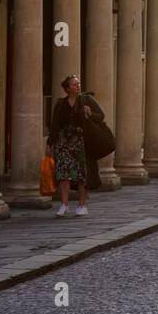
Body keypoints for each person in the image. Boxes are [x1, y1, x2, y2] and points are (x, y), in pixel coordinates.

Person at [46, 74, 105, 217]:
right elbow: (55, 125)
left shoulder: (86, 100)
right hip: (64, 143)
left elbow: (101, 116)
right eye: (74, 84)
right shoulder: (60, 104)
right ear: (67, 88)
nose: (78, 86)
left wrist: (89, 114)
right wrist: (50, 143)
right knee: (64, 174)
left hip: (81, 142)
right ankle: (64, 205)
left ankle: (82, 205)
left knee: (81, 175)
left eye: (78, 84)